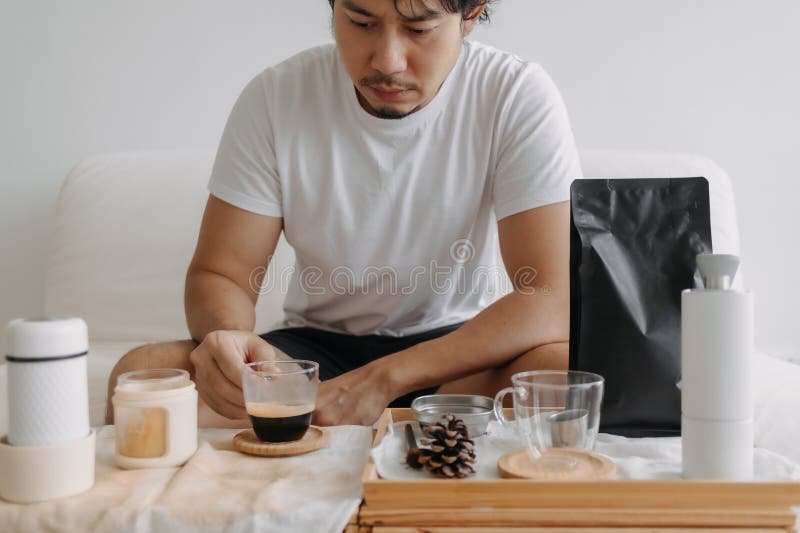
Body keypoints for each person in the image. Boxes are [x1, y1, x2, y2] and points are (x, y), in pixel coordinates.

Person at [107, 0, 581, 428]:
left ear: (471, 13)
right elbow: (221, 272)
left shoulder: (513, 92)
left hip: (458, 356)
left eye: (418, 29)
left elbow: (551, 295)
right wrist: (231, 345)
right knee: (141, 376)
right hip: (313, 352)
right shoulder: (276, 96)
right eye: (361, 22)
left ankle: (397, 421)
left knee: (568, 377)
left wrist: (382, 380)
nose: (387, 61)